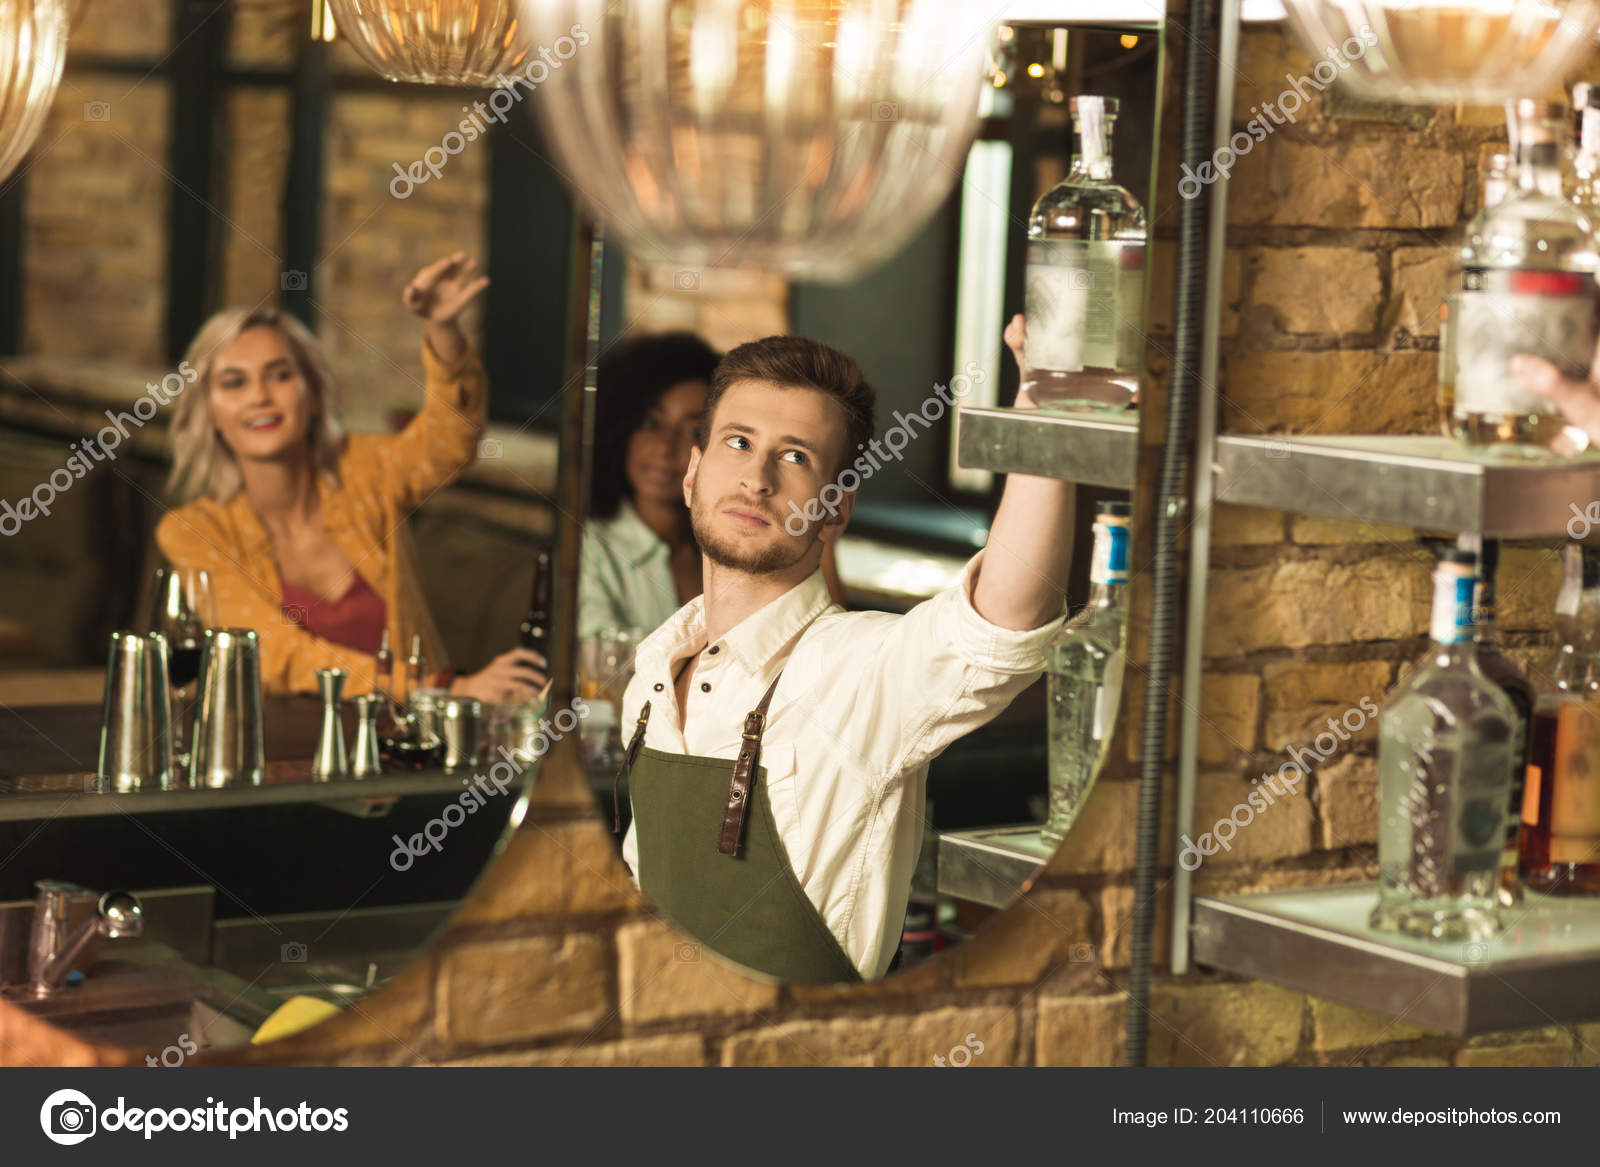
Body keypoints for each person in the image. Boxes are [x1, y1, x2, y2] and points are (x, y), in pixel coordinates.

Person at [614, 319, 1075, 984]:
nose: (757, 477)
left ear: (834, 509)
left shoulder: (857, 671)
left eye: (795, 455)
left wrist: (1044, 407)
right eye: (738, 442)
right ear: (692, 474)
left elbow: (1006, 615)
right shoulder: (653, 676)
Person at [156, 253, 544, 703]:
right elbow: (278, 655)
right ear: (209, 413)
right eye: (234, 383)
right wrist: (441, 689)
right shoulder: (194, 531)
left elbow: (450, 443)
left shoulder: (364, 469)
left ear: (314, 393)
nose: (260, 397)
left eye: (280, 375)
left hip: (409, 742)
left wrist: (443, 332)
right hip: (282, 753)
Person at [582, 332, 846, 643]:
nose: (666, 449)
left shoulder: (740, 538)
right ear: (621, 430)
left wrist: (817, 529)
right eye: (652, 424)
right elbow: (592, 661)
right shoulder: (588, 547)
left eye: (692, 430)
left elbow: (822, 650)